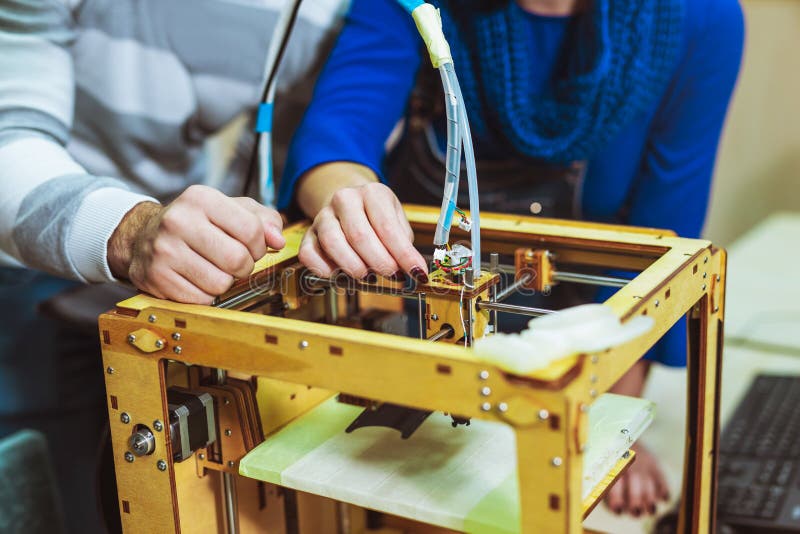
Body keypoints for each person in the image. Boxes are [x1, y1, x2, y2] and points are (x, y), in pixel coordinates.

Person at [280, 0, 744, 518]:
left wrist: (609, 420)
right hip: (414, 321)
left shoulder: (701, 18)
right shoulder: (415, 7)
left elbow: (660, 250)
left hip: (580, 335)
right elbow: (338, 130)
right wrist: (347, 195)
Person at [0, 0, 346, 531]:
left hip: (162, 278)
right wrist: (133, 232)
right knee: (39, 497)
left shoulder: (328, 12)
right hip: (25, 265)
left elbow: (271, 157)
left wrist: (227, 237)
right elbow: (8, 136)